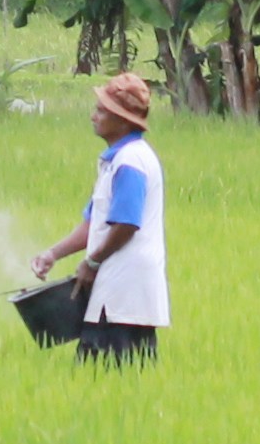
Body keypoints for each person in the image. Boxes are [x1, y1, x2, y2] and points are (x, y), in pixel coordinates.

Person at [26, 73, 166, 363]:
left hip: (123, 289)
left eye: (101, 111)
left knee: (100, 371)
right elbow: (95, 224)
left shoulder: (130, 162)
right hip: (118, 290)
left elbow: (126, 224)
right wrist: (53, 254)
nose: (93, 116)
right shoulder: (117, 160)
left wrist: (92, 262)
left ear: (123, 120)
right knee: (117, 376)